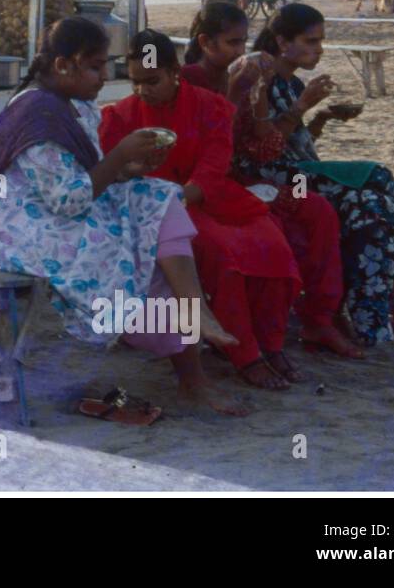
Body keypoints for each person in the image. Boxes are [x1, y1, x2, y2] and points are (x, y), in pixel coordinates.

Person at [0, 17, 245, 419]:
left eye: (106, 65)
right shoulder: (38, 115)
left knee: (157, 199)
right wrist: (120, 157)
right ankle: (191, 365)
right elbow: (67, 200)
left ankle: (193, 312)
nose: (105, 77)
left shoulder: (73, 104)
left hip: (62, 214)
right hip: (28, 230)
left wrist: (127, 170)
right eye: (96, 66)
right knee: (126, 256)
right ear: (63, 65)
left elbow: (86, 179)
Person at [235, 3, 394, 345]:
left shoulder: (290, 82)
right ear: (282, 42)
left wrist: (320, 119)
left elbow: (293, 146)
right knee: (377, 179)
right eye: (311, 41)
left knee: (372, 204)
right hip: (274, 182)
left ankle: (383, 310)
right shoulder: (264, 80)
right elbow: (265, 152)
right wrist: (303, 105)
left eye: (321, 41)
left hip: (297, 173)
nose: (319, 49)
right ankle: (391, 307)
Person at [101, 30, 305, 389]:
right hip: (161, 211)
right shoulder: (120, 116)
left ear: (174, 71)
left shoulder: (209, 107)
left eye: (152, 81)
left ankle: (271, 344)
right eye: (135, 82)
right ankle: (244, 353)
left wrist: (185, 194)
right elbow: (111, 174)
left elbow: (215, 163)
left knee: (274, 246)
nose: (143, 91)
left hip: (211, 197)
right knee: (224, 259)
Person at [182, 3, 363, 359]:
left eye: (242, 42)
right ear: (206, 43)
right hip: (215, 183)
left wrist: (267, 96)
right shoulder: (192, 80)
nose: (241, 51)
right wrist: (244, 92)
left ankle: (321, 317)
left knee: (320, 210)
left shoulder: (260, 80)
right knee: (291, 216)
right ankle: (265, 338)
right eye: (233, 43)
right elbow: (214, 146)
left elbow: (265, 147)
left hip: (252, 178)